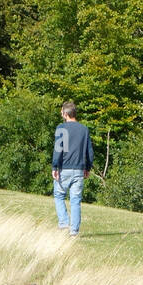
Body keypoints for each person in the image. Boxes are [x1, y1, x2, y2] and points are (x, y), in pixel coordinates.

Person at [52, 100, 93, 237]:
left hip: (64, 168)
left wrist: (54, 166)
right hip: (79, 169)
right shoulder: (84, 129)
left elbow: (59, 149)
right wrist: (87, 168)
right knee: (75, 200)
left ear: (65, 114)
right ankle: (74, 231)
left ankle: (64, 223)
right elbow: (89, 152)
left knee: (59, 195)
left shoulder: (61, 128)